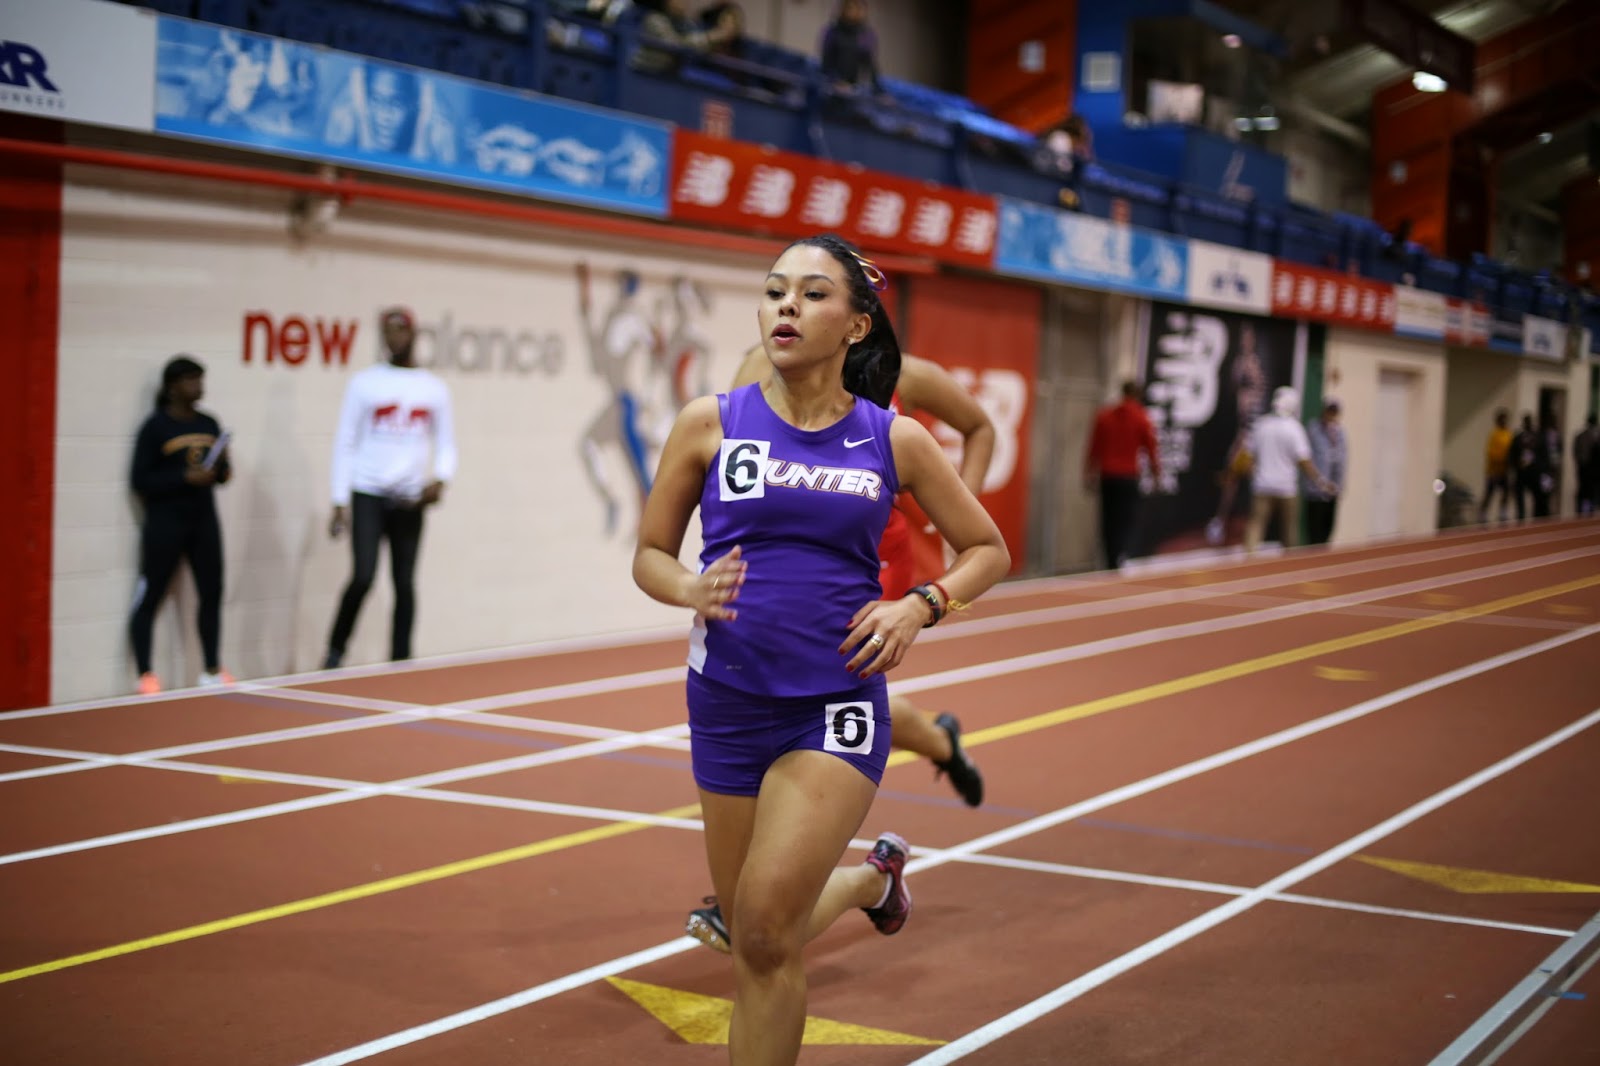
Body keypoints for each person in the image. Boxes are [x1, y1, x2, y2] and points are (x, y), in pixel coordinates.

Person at [632, 234, 1009, 1066]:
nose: (786, 307)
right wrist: (689, 588)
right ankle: (874, 881)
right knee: (751, 935)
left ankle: (871, 878)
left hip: (834, 706)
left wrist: (922, 604)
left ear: (857, 326)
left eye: (810, 293)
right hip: (725, 703)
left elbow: (987, 549)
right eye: (774, 292)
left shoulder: (894, 438)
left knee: (765, 928)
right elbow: (650, 555)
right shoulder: (709, 424)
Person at [323, 307, 457, 669]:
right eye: (387, 332)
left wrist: (440, 481)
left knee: (404, 582)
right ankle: (334, 652)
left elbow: (445, 443)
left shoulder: (432, 388)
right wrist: (339, 500)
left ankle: (401, 661)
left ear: (413, 334)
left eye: (400, 331)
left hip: (409, 499)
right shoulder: (365, 383)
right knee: (363, 575)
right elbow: (346, 441)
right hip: (368, 491)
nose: (393, 338)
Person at [128, 356, 233, 695]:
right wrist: (183, 477)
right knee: (151, 593)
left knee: (212, 591)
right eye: (191, 380)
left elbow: (223, 475)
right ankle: (145, 672)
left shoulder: (209, 423)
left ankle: (212, 667)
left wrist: (220, 468)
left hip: (203, 520)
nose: (198, 386)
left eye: (200, 379)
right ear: (172, 386)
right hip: (165, 522)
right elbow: (140, 479)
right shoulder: (156, 427)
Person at [1240, 386, 1334, 553]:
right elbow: (1304, 461)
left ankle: (1248, 561)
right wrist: (1320, 481)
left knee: (1256, 526)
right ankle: (1291, 565)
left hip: (1262, 486)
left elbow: (1247, 456)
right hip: (1286, 488)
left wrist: (1250, 475)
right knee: (1289, 530)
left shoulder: (1262, 425)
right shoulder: (1294, 428)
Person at [1084, 380, 1161, 569]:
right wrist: (1156, 474)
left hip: (1108, 476)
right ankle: (1120, 554)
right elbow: (1151, 449)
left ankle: (1111, 559)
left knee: (1108, 520)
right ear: (1138, 396)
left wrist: (1088, 472)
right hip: (1128, 477)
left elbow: (1094, 447)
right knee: (1126, 519)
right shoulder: (1142, 418)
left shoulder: (1105, 416)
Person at [1303, 397, 1346, 545]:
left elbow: (1342, 459)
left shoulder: (1340, 433)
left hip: (1332, 489)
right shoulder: (1313, 429)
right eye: (1329, 411)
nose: (1331, 415)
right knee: (1314, 530)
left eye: (1334, 412)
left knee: (1328, 529)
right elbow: (1306, 457)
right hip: (1316, 489)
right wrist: (1319, 480)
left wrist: (1338, 485)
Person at [818, 0, 883, 96]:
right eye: (851, 7)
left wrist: (879, 91)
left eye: (860, 8)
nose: (857, 11)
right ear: (843, 9)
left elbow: (871, 68)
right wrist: (836, 81)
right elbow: (826, 64)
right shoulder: (832, 32)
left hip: (857, 90)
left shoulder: (868, 35)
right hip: (833, 88)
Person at [1478, 408, 1513, 524]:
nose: (1503, 422)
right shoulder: (1494, 435)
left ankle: (1502, 512)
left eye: (1505, 419)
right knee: (1489, 493)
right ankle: (1483, 513)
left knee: (1506, 492)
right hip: (1493, 470)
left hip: (1505, 470)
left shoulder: (1508, 434)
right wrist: (1501, 459)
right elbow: (1491, 452)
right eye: (1501, 419)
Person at [1574, 413, 1599, 517]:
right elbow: (1576, 452)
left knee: (1589, 492)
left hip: (1590, 469)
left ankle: (1588, 511)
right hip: (1586, 469)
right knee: (1586, 491)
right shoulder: (1581, 436)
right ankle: (1583, 512)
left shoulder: (1583, 436)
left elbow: (1576, 453)